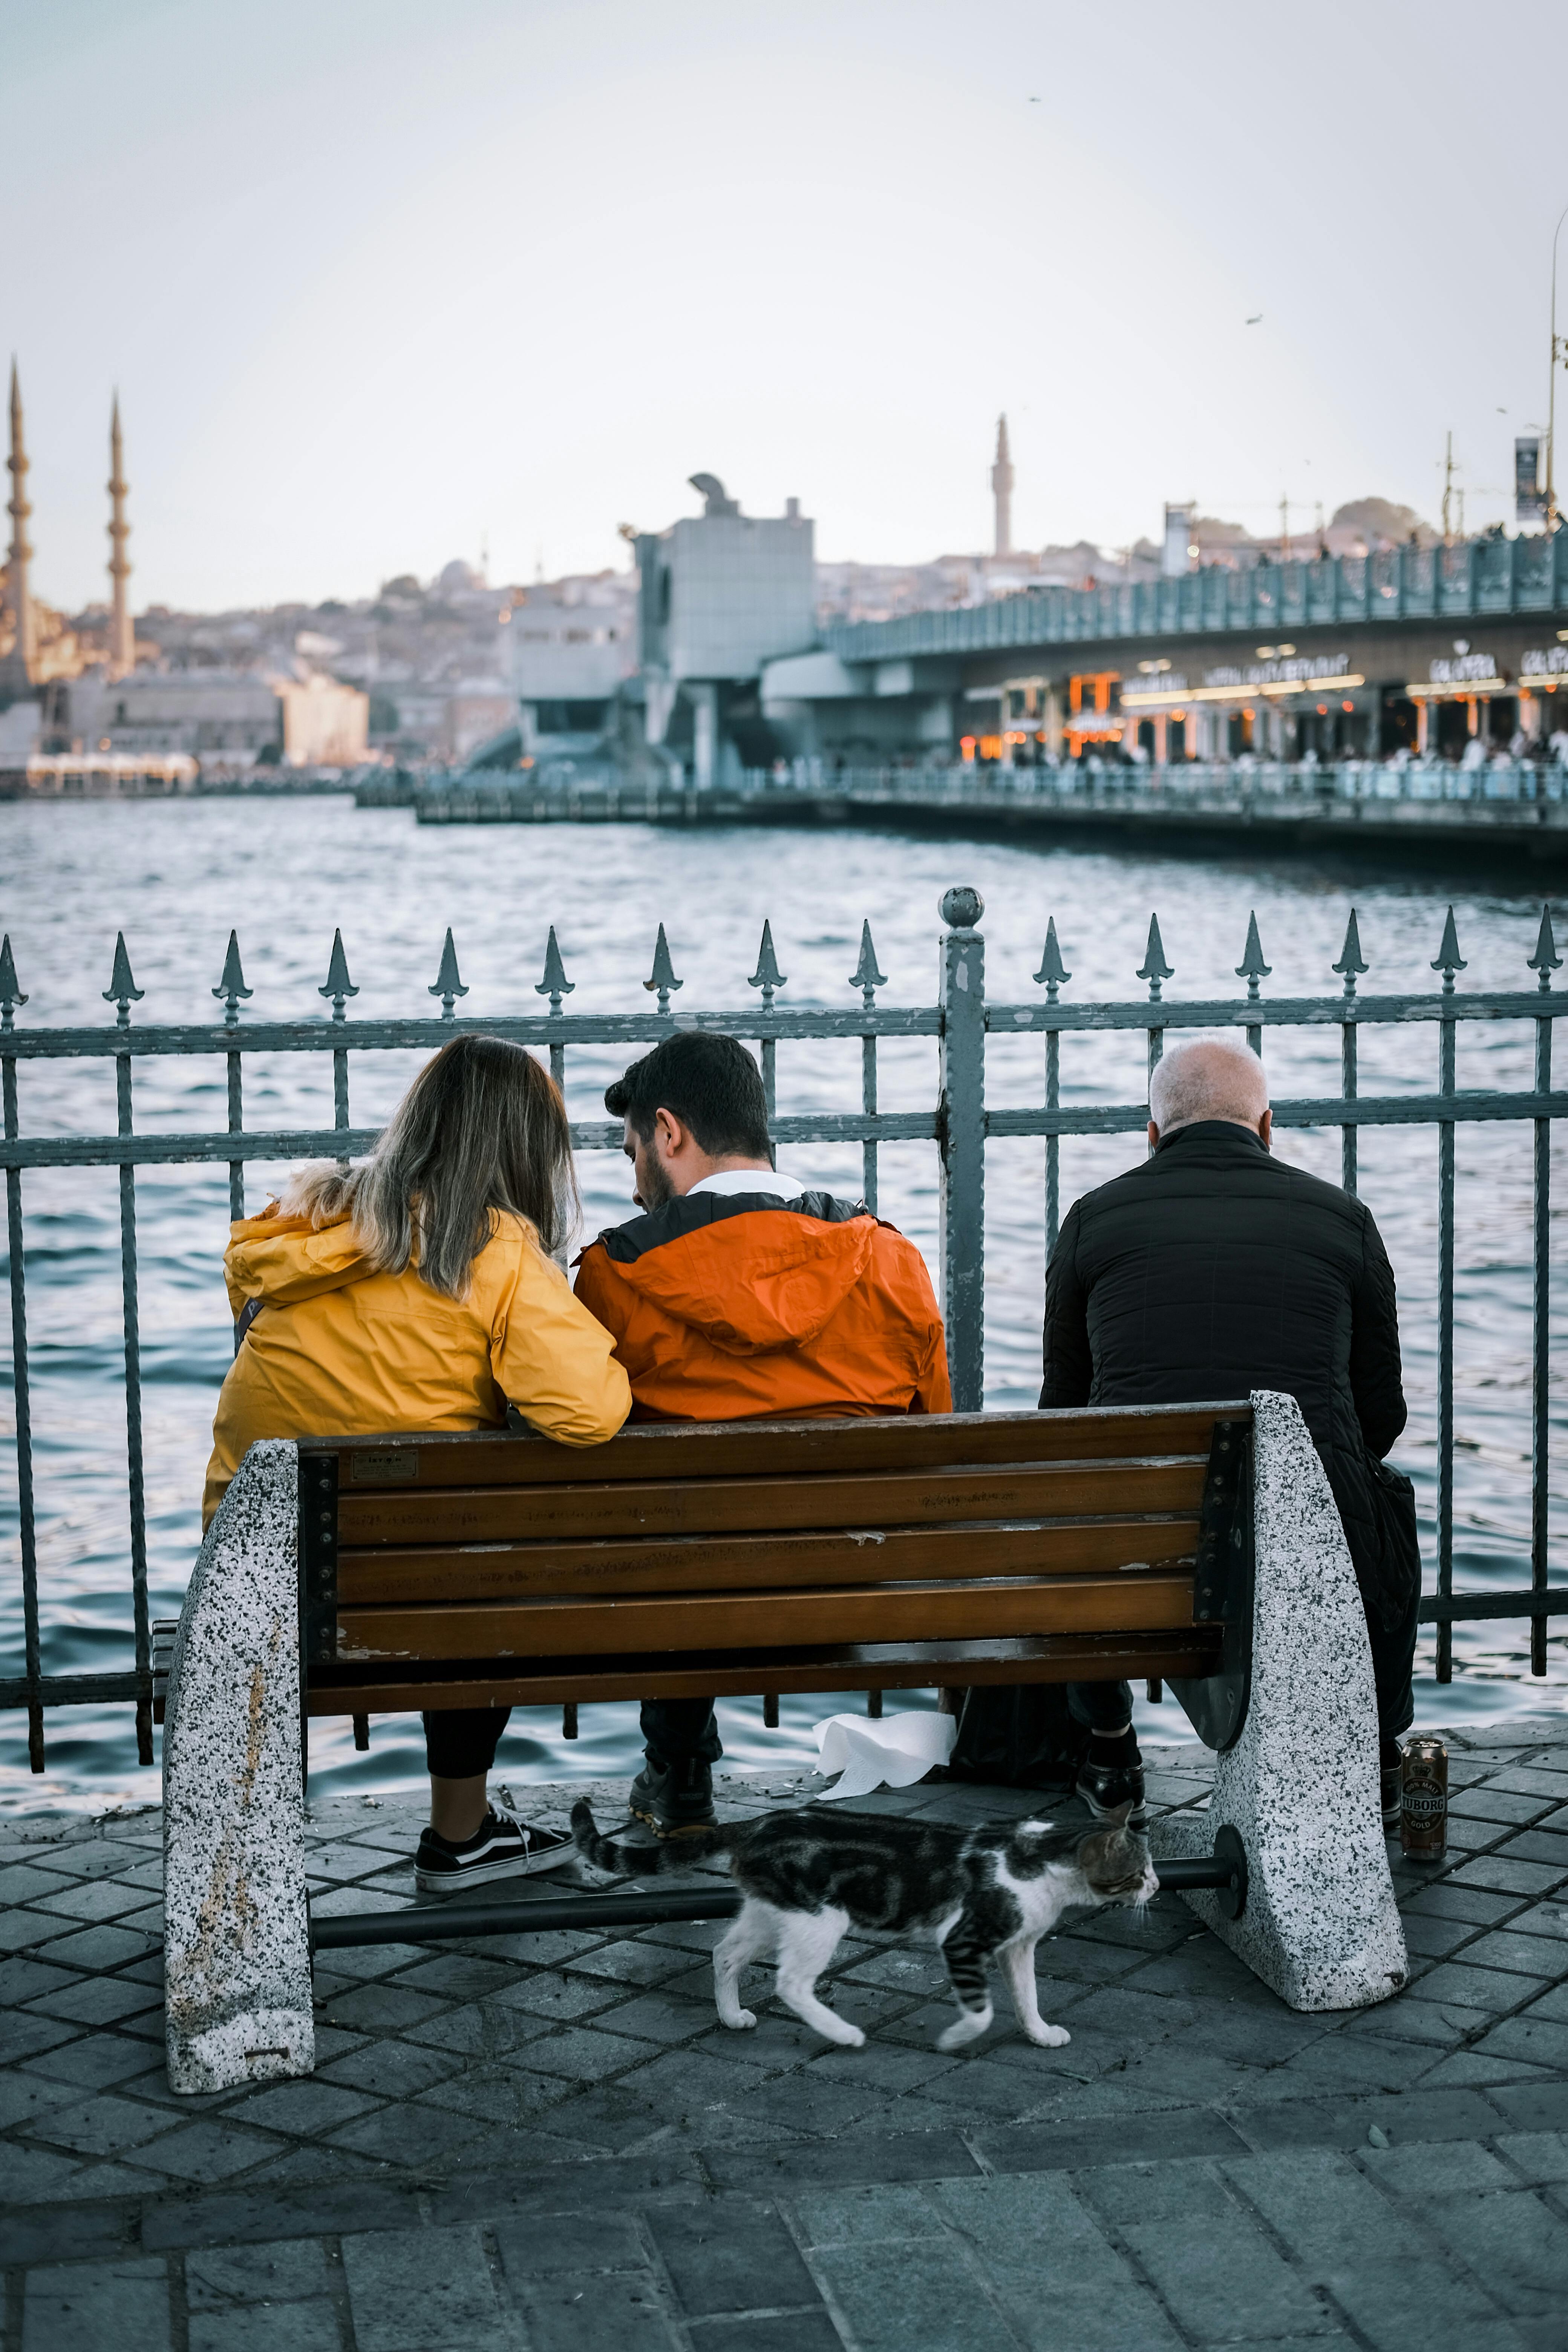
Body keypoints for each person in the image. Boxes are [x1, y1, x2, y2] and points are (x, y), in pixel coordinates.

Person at [203, 1034, 632, 1894]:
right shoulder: (497, 1246)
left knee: (441, 1558)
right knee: (482, 1576)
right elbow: (587, 1415)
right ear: (524, 1147)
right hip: (423, 1596)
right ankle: (461, 1834)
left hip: (254, 1576)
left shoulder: (308, 1223)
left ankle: (244, 1862)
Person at [573, 1031, 951, 1836]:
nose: (634, 1173)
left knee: (666, 1533)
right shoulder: (888, 1259)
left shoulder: (612, 1276)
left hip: (681, 1595)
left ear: (668, 1133)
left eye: (632, 1146)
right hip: (861, 1585)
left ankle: (678, 1773)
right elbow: (936, 1439)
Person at [1040, 1034, 1416, 1828]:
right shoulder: (1344, 1220)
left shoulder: (1092, 1220)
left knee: (1070, 1509)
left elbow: (1063, 1420)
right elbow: (1381, 1417)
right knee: (1379, 1496)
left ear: (1152, 1133)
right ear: (1267, 1126)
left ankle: (1109, 1749)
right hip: (1307, 1544)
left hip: (1144, 1553)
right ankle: (1371, 1749)